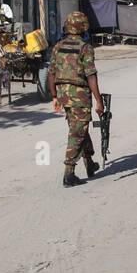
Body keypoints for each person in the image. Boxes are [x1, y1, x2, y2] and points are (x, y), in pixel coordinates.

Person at [46, 11, 105, 188]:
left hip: (64, 95)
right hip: (79, 96)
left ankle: (90, 163)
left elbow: (51, 73)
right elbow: (91, 75)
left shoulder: (58, 46)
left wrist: (55, 96)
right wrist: (99, 100)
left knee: (80, 128)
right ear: (83, 27)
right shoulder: (85, 47)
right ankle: (69, 174)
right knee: (77, 132)